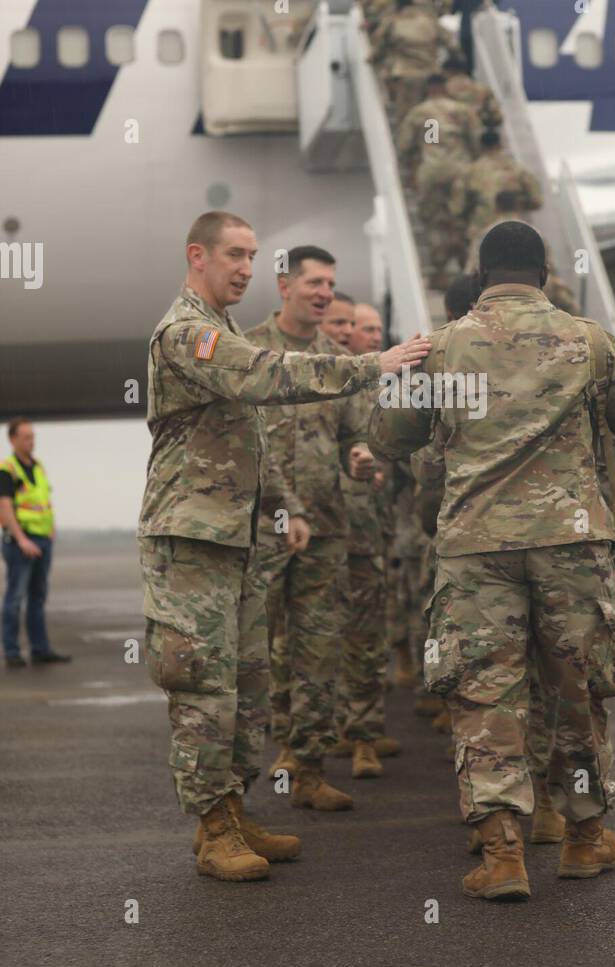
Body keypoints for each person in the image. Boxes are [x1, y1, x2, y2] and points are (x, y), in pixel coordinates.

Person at [369, 221, 615, 901]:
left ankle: (502, 855)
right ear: (545, 269)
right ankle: (585, 839)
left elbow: (389, 437)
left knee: (484, 695)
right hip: (570, 542)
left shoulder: (440, 348)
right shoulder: (589, 340)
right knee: (576, 691)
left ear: (481, 271)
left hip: (476, 548)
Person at [138, 212, 428, 881]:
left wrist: (280, 511)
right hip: (191, 540)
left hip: (238, 537)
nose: (244, 267)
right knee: (204, 686)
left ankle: (234, 811)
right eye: (233, 255)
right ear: (197, 256)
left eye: (251, 255)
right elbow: (263, 376)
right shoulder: (189, 334)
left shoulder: (224, 328)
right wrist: (368, 364)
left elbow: (251, 448)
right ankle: (211, 828)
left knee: (247, 684)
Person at [246, 248, 380, 812]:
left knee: (320, 649)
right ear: (285, 286)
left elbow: (356, 431)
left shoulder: (336, 360)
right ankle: (256, 765)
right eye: (314, 282)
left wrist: (360, 456)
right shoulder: (249, 349)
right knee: (261, 650)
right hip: (264, 528)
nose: (325, 292)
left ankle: (310, 766)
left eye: (331, 282)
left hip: (325, 527)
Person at [333, 302, 402, 775]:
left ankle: (363, 737)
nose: (371, 336)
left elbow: (404, 449)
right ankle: (312, 737)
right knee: (308, 639)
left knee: (365, 635)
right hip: (318, 528)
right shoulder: (315, 379)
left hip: (366, 529)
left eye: (379, 329)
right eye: (363, 328)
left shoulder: (388, 388)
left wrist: (382, 469)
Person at [397, 71, 482, 288]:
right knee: (462, 218)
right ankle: (467, 267)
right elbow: (476, 142)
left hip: (431, 172)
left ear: (428, 89)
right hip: (459, 171)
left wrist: (411, 169)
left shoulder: (418, 112)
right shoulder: (462, 110)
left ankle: (440, 270)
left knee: (434, 220)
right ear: (445, 88)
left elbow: (404, 147)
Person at [1, 418, 71, 670]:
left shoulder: (38, 466)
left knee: (38, 597)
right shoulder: (7, 469)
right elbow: (5, 507)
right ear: (12, 439)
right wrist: (21, 539)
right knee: (15, 597)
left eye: (33, 436)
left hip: (42, 540)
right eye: (26, 437)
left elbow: (44, 500)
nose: (31, 441)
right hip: (20, 542)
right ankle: (11, 651)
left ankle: (40, 649)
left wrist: (51, 529)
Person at [451, 129, 543, 265]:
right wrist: (518, 203)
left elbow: (457, 208)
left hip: (480, 228)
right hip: (513, 227)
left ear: (481, 147)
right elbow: (537, 200)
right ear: (500, 145)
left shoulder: (470, 171)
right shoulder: (517, 169)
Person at [368, 0, 458, 127]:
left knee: (406, 117)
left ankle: (406, 145)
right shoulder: (429, 20)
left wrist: (371, 60)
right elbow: (452, 44)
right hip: (431, 75)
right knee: (430, 116)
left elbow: (378, 47)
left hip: (406, 76)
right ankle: (430, 144)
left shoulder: (392, 22)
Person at [442, 54, 503, 129]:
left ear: (448, 71)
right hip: (479, 133)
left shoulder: (443, 91)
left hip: (453, 135)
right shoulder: (482, 89)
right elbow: (497, 117)